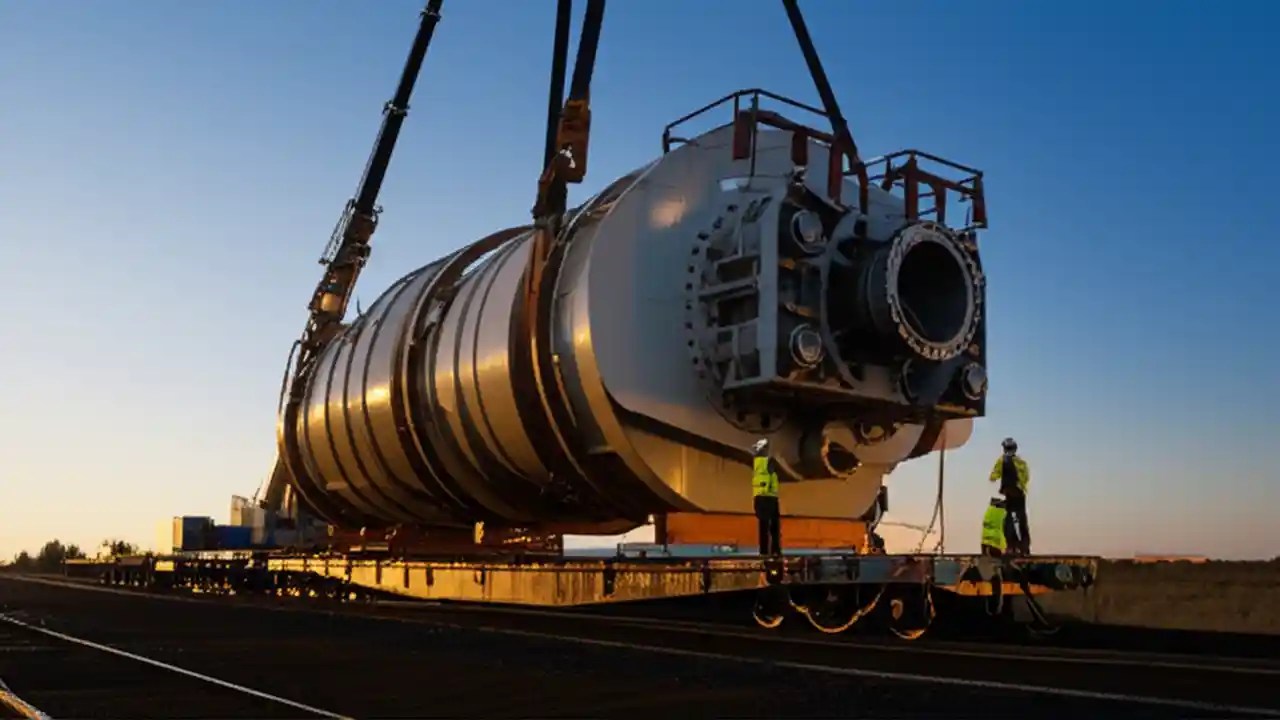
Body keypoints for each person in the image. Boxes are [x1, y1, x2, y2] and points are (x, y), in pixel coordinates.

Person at [988, 437, 1031, 554]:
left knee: (1008, 521)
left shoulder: (1002, 460)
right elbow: (1026, 477)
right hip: (1019, 494)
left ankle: (1011, 546)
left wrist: (995, 477)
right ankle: (1024, 546)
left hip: (1009, 494)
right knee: (1021, 520)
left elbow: (993, 476)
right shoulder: (1021, 462)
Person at [750, 438, 781, 556]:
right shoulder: (763, 463)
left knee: (768, 526)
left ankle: (769, 551)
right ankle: (771, 551)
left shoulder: (761, 464)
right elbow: (764, 478)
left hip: (767, 496)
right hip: (766, 496)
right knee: (770, 526)